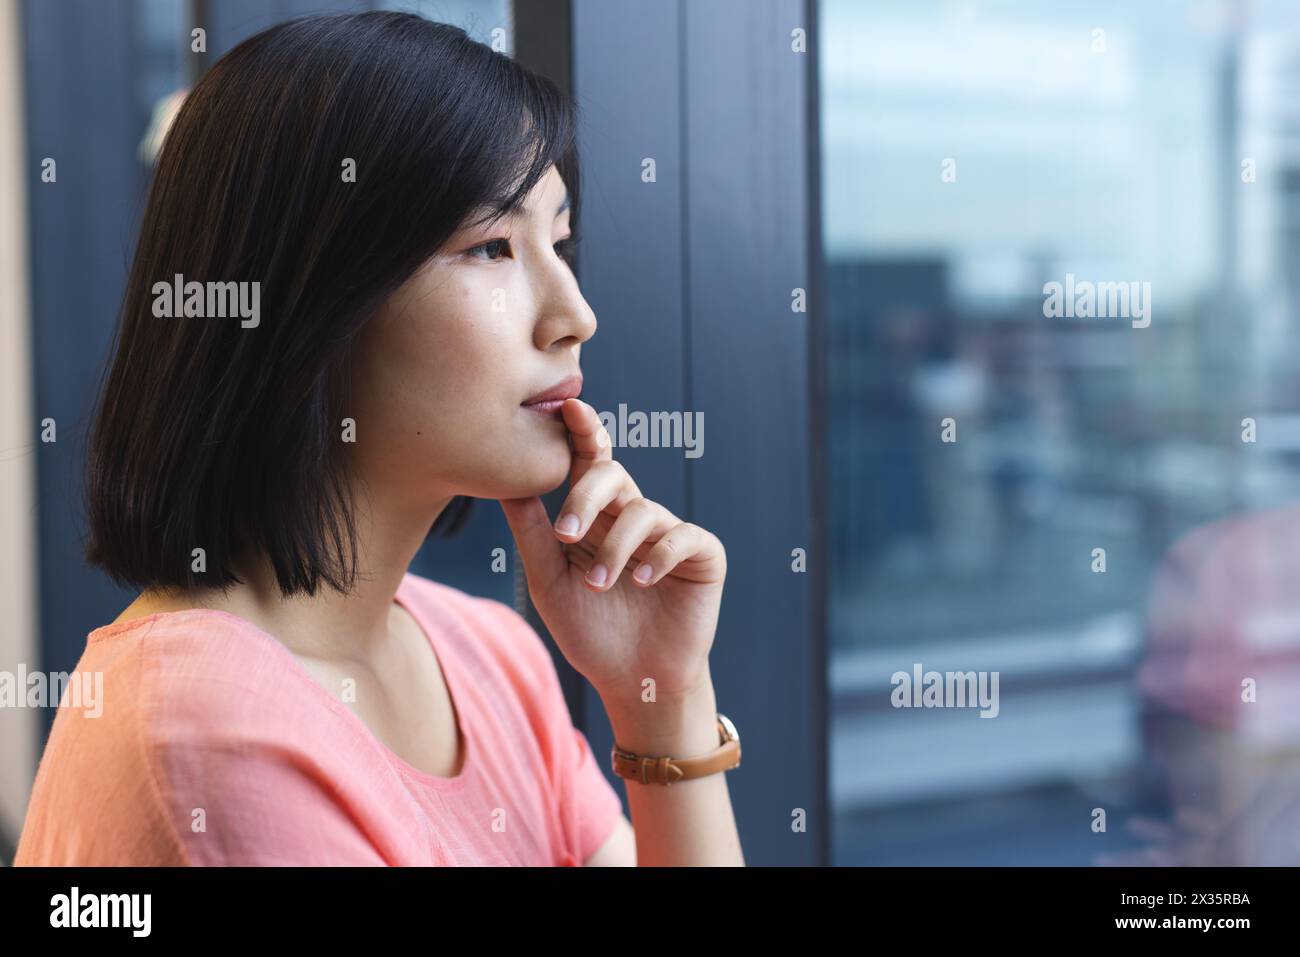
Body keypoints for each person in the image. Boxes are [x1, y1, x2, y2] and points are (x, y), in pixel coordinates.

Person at [14, 11, 742, 867]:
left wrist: (666, 698)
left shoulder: (489, 656)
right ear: (312, 301)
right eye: (492, 247)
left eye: (559, 241)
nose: (575, 316)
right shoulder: (209, 729)